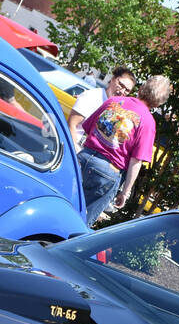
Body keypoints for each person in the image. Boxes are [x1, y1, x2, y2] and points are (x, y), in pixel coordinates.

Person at [76, 74, 169, 225]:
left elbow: (88, 128)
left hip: (83, 158)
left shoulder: (113, 101)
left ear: (141, 90)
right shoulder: (148, 122)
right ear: (158, 104)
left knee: (64, 203)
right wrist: (125, 192)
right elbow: (136, 161)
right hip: (107, 173)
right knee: (81, 222)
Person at [68, 66, 136, 148]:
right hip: (75, 149)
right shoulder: (92, 96)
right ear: (113, 79)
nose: (122, 91)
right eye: (121, 85)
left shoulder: (117, 109)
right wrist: (75, 150)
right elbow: (72, 124)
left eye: (127, 90)